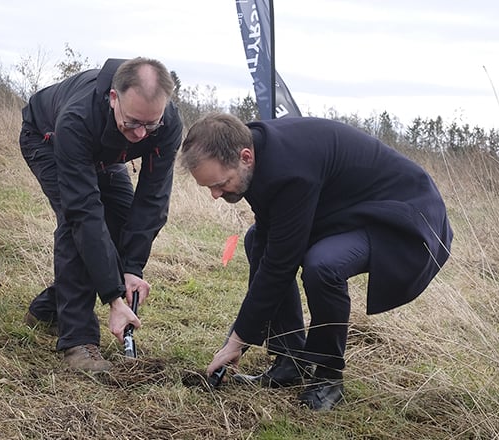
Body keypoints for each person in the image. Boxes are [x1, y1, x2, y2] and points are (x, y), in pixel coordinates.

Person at [179, 113, 452, 410]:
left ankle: (328, 377)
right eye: (208, 187)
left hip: (403, 216)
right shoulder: (255, 154)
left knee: (324, 264)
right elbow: (271, 241)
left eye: (220, 184)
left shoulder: (289, 169)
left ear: (245, 157)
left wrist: (238, 339)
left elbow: (280, 264)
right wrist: (243, 332)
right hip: (350, 210)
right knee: (255, 239)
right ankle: (291, 360)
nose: (215, 195)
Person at [19, 57, 182, 372]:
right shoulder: (77, 117)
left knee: (119, 228)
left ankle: (46, 309)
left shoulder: (168, 124)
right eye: (133, 122)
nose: (140, 135)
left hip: (108, 156)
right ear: (113, 98)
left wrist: (132, 268)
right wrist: (114, 299)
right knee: (76, 225)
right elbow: (84, 213)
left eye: (151, 124)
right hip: (48, 141)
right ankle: (78, 340)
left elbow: (152, 200)